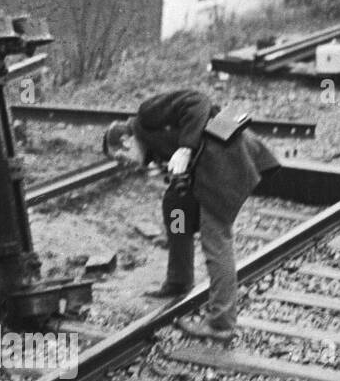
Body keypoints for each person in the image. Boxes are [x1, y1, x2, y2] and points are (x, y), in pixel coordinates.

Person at [102, 90, 280, 343]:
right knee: (175, 205)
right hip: (214, 161)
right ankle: (179, 280)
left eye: (122, 156)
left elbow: (198, 101)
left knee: (215, 239)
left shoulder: (147, 114)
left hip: (226, 159)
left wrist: (185, 148)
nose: (125, 164)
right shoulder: (153, 143)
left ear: (127, 140)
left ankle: (221, 323)